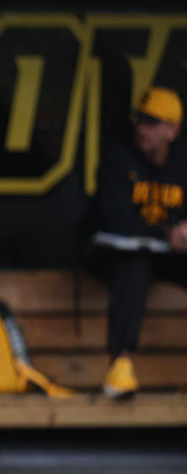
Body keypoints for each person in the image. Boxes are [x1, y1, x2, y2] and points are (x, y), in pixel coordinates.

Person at [85, 86, 187, 398]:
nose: (141, 129)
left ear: (172, 130)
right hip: (111, 254)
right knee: (134, 264)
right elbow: (115, 221)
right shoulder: (119, 156)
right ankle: (120, 365)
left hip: (167, 255)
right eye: (139, 120)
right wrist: (168, 233)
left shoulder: (183, 160)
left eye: (152, 123)